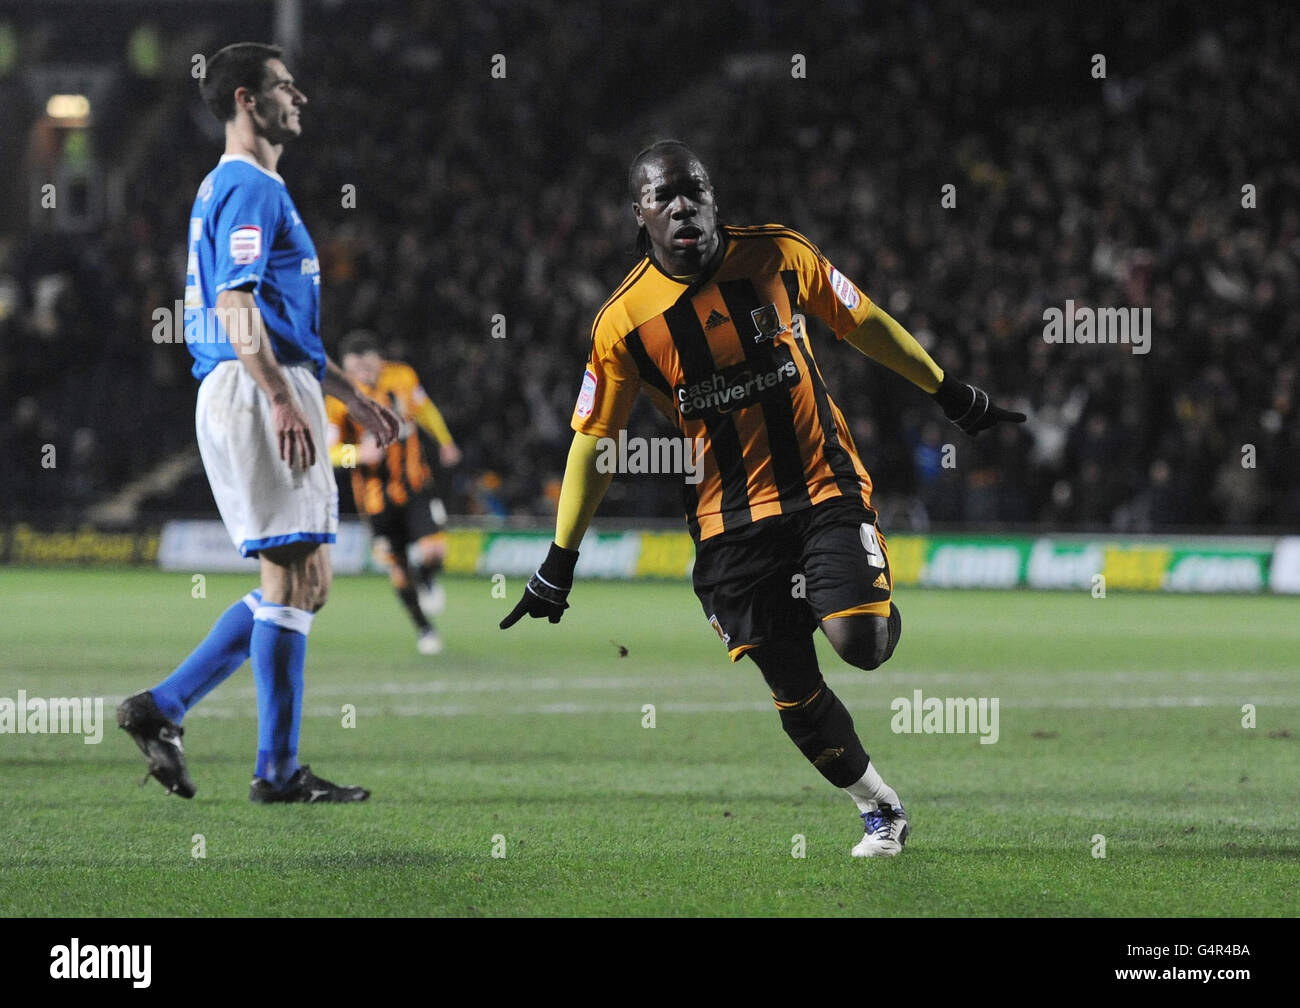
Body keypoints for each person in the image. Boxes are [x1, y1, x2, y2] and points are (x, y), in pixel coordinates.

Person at [501, 140, 1024, 856]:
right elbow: (594, 441)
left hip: (821, 486)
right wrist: (560, 559)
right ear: (640, 216)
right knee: (794, 690)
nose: (682, 205)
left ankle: (850, 588)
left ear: (715, 199)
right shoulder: (622, 324)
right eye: (664, 196)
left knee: (861, 643)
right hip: (726, 524)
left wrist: (950, 391)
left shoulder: (778, 254)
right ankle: (880, 809)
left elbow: (861, 318)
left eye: (695, 190)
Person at [117, 43, 400, 803]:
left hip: (271, 379)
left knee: (307, 583)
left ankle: (164, 708)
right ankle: (274, 771)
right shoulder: (247, 187)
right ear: (247, 100)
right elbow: (238, 307)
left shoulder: (251, 186)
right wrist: (279, 396)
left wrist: (344, 390)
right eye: (283, 86)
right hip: (253, 386)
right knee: (289, 578)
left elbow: (281, 322)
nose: (298, 96)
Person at [325, 331, 462, 654]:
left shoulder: (402, 376)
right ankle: (425, 629)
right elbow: (328, 453)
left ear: (379, 361)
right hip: (374, 499)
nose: (363, 374)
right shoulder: (336, 399)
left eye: (368, 366)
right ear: (345, 369)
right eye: (355, 369)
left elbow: (424, 409)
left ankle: (427, 578)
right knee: (398, 568)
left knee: (435, 551)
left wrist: (445, 441)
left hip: (415, 485)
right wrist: (358, 455)